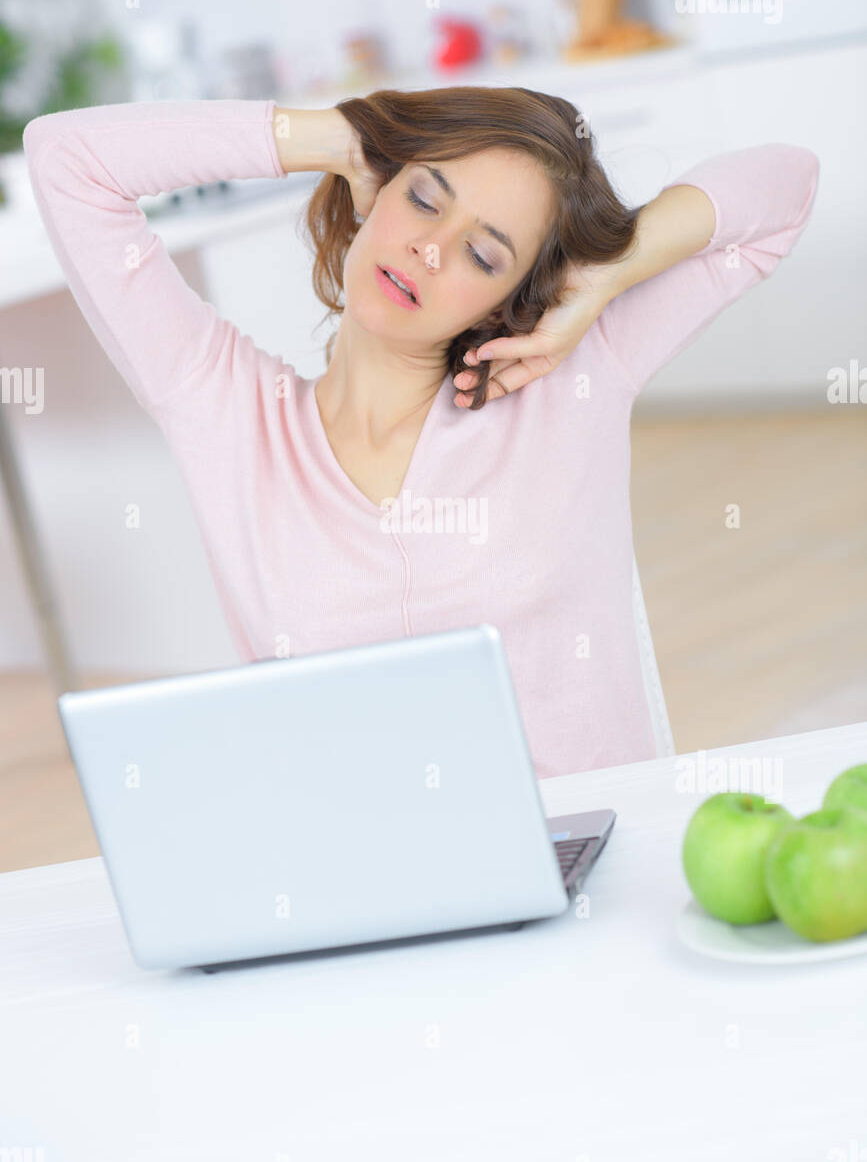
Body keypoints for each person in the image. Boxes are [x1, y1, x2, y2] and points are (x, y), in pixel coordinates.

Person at [22, 88, 819, 778]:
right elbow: (67, 159)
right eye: (424, 200)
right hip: (364, 876)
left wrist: (602, 277)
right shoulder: (225, 410)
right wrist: (341, 137)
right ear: (377, 191)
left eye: (482, 254)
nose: (429, 249)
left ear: (509, 298)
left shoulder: (567, 376)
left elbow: (784, 187)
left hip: (592, 853)